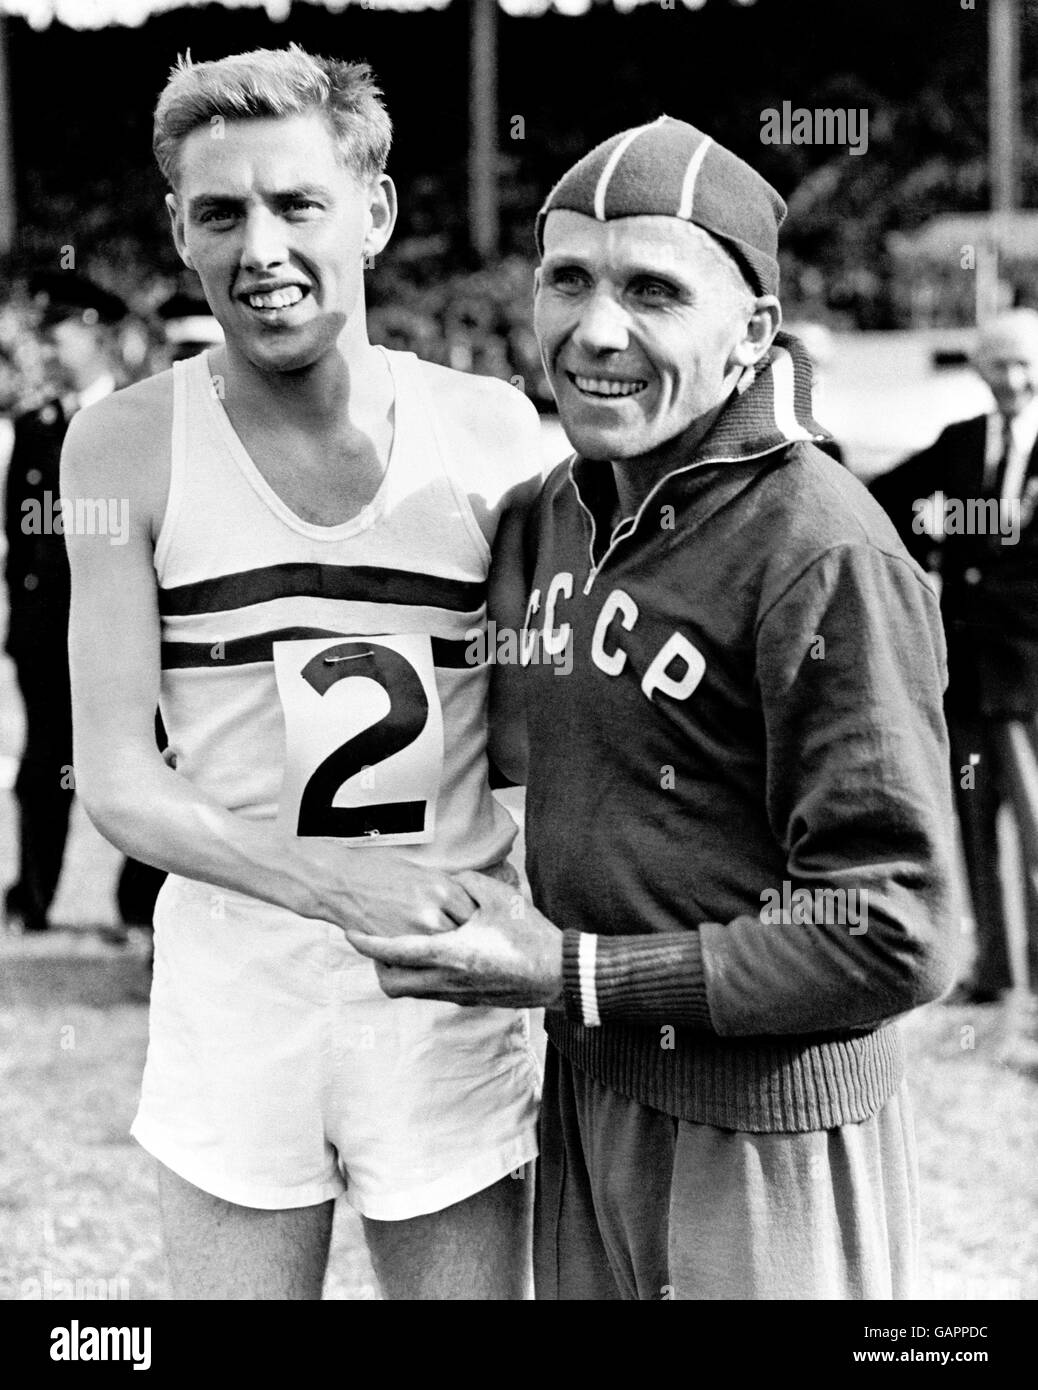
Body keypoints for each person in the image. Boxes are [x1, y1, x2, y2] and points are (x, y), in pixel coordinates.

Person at [349, 117, 959, 1300]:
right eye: (566, 280)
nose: (597, 330)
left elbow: (898, 929)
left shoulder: (820, 550)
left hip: (762, 1132)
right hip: (590, 1092)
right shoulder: (553, 514)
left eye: (653, 290)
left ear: (754, 336)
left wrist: (573, 970)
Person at [62, 47, 542, 1300]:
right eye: (220, 213)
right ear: (178, 230)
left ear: (373, 214)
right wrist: (339, 883)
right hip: (239, 987)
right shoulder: (119, 448)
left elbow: (540, 741)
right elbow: (114, 776)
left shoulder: (489, 429)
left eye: (298, 204)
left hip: (448, 991)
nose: (259, 246)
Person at [870, 309, 1038, 1005]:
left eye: (1026, 365)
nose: (1015, 380)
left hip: (1030, 677)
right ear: (979, 370)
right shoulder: (960, 443)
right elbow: (883, 498)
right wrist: (928, 550)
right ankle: (996, 970)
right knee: (972, 829)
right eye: (999, 364)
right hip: (963, 672)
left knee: (1036, 829)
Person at [3, 274, 160, 935]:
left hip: (129, 633)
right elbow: (21, 537)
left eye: (57, 333)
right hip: (48, 634)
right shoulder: (37, 427)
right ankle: (30, 898)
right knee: (44, 767)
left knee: (149, 763)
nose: (45, 349)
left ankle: (142, 905)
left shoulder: (142, 418)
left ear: (95, 334)